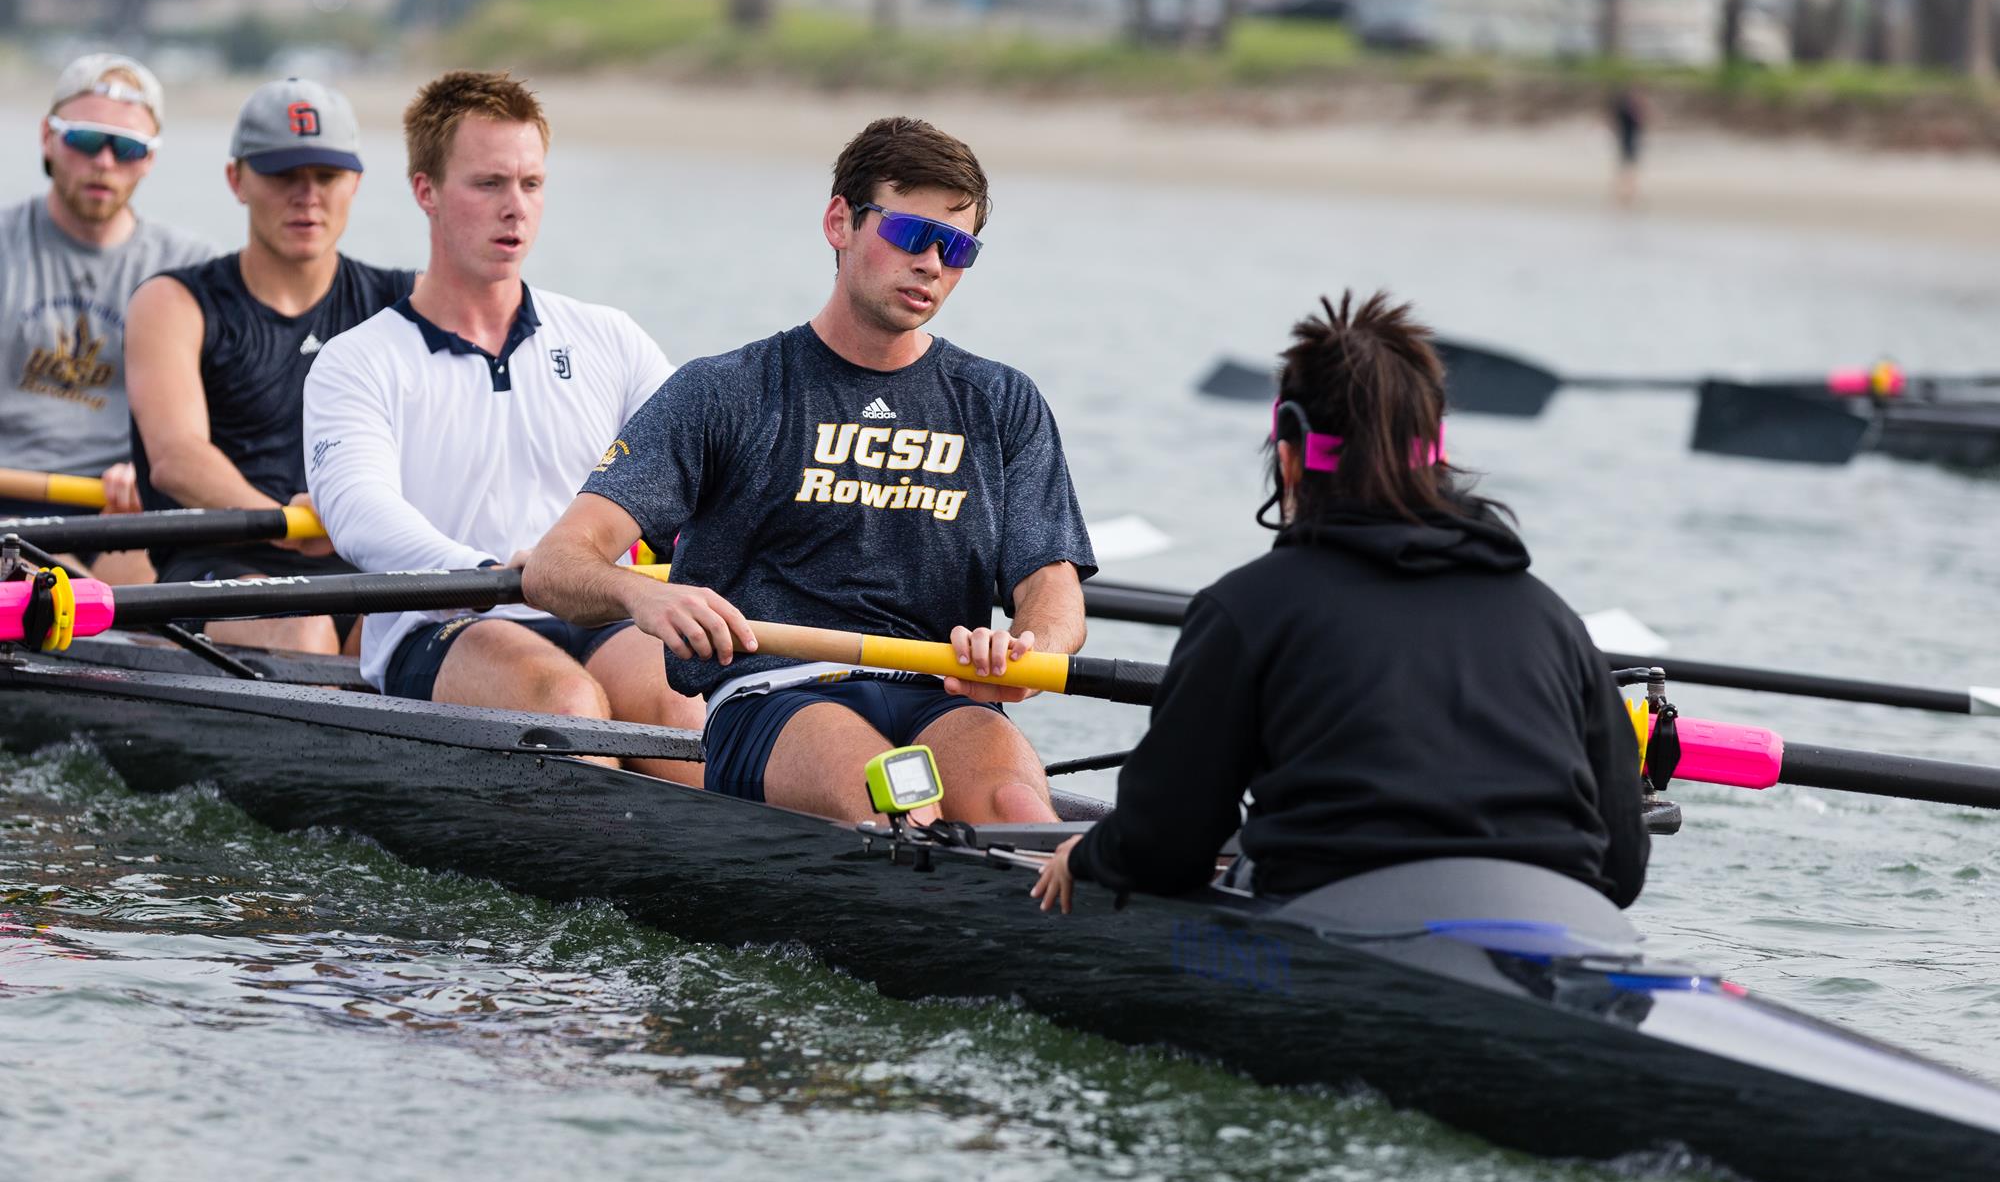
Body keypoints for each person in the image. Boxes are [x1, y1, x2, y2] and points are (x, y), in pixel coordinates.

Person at [524, 116, 1096, 824]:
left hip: (940, 693)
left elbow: (1054, 591)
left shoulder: (1002, 402)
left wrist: (1027, 648)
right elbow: (554, 565)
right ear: (840, 222)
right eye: (913, 235)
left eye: (957, 248)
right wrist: (645, 599)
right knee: (897, 802)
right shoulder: (726, 392)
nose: (931, 265)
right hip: (773, 693)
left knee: (1019, 812)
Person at [1032, 292, 1648, 913]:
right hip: (1573, 925)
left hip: (1352, 926)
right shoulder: (1553, 622)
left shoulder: (1249, 610)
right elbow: (1622, 870)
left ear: (1290, 448)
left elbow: (1166, 849)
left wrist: (1085, 855)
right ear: (1438, 448)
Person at [301, 70, 701, 776]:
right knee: (569, 704)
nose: (515, 208)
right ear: (425, 190)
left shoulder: (609, 337)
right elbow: (361, 513)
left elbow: (706, 476)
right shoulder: (355, 361)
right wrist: (486, 572)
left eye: (531, 184)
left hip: (590, 603)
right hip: (445, 617)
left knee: (685, 704)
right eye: (488, 184)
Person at [125, 78, 412, 655]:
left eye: (326, 177)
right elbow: (178, 460)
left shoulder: (406, 302)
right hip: (221, 562)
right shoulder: (173, 303)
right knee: (304, 629)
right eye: (284, 175)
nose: (307, 196)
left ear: (354, 182)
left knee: (423, 629)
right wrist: (285, 522)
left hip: (363, 562)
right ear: (237, 180)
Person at [0, 54, 215, 581]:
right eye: (86, 140)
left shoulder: (194, 268)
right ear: (48, 138)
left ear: (148, 160)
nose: (105, 162)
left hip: (126, 510)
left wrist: (149, 473)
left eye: (127, 148)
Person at [1610, 85, 1646, 206]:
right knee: (1629, 168)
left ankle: (1624, 193)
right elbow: (1640, 122)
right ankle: (1627, 194)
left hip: (1624, 140)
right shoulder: (1628, 110)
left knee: (1625, 167)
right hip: (1629, 141)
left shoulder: (1620, 109)